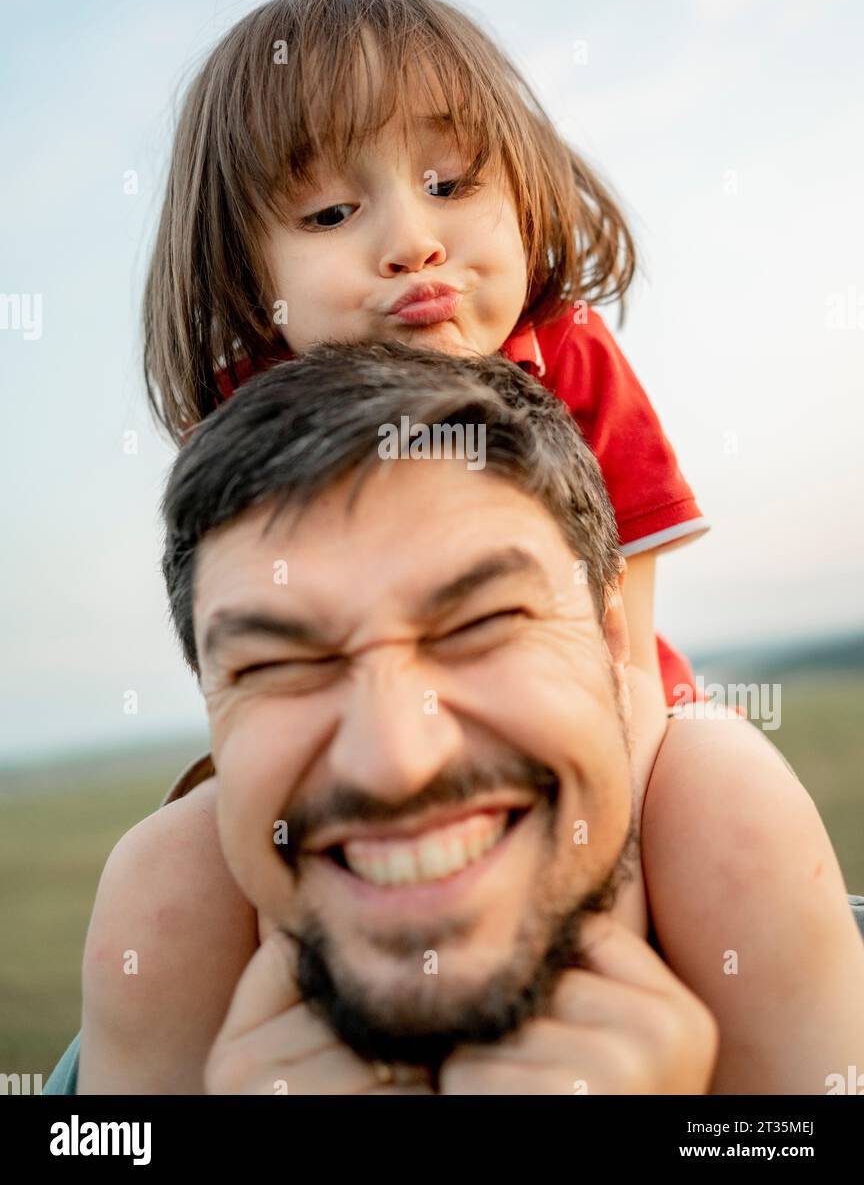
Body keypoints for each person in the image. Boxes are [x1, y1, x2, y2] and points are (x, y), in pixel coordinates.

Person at [61, 343, 863, 1095]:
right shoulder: (166, 926)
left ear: (614, 639)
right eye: (277, 666)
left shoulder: (744, 864)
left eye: (481, 624)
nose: (396, 760)